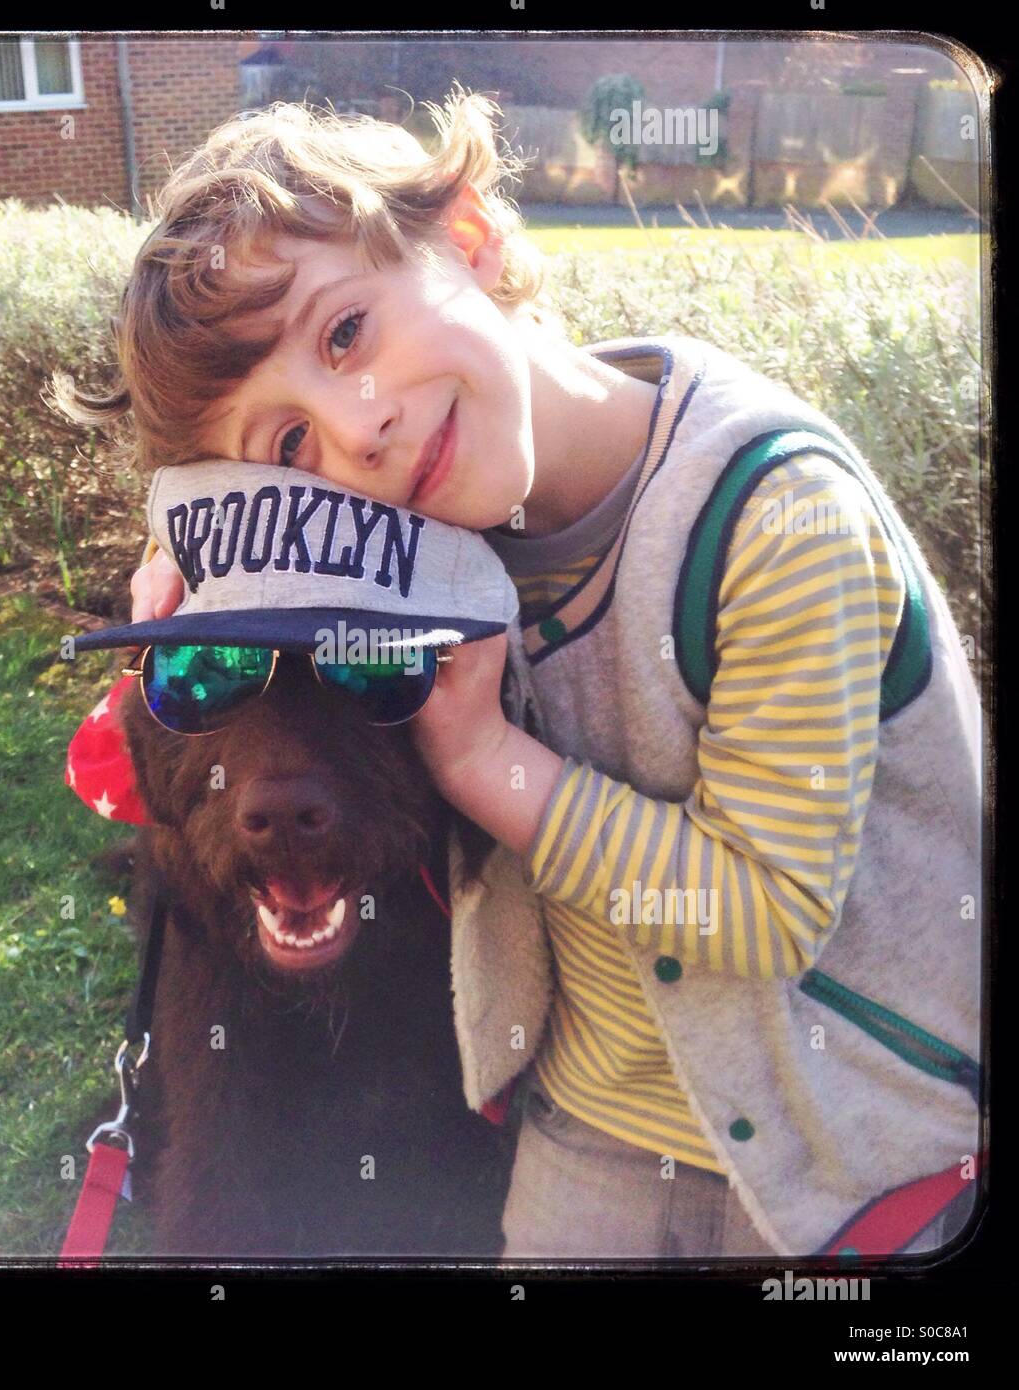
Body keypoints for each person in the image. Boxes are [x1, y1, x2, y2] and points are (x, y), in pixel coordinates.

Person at [53, 89, 983, 1259]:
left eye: (346, 333)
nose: (360, 429)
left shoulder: (774, 518)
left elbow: (763, 911)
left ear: (472, 239)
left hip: (841, 1136)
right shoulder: (433, 508)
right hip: (590, 1111)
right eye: (289, 447)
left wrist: (490, 763)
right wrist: (187, 579)